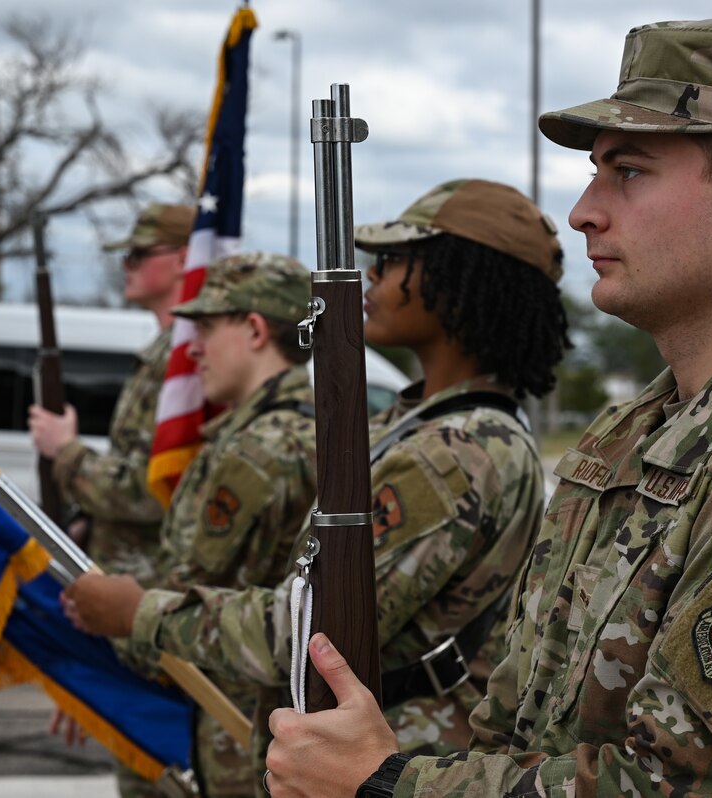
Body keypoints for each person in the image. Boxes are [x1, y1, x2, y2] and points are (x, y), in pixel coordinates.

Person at [261, 18, 712, 798]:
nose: (583, 211)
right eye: (594, 172)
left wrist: (385, 783)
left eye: (630, 171)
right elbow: (509, 724)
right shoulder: (627, 437)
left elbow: (668, 788)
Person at [64, 179, 571, 795]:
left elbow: (306, 631)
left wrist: (136, 612)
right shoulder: (419, 425)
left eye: (393, 263)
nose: (372, 279)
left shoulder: (455, 452)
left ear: (458, 283)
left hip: (390, 756)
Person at [66, 252, 320, 797]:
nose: (193, 347)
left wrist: (102, 632)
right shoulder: (300, 426)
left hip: (235, 729)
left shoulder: (258, 449)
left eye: (207, 326)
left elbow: (186, 602)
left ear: (254, 330)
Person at [29, 202, 195, 584]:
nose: (126, 265)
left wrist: (66, 452)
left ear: (184, 259)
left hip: (148, 590)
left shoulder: (187, 359)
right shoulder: (164, 351)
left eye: (138, 254)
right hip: (127, 582)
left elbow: (157, 487)